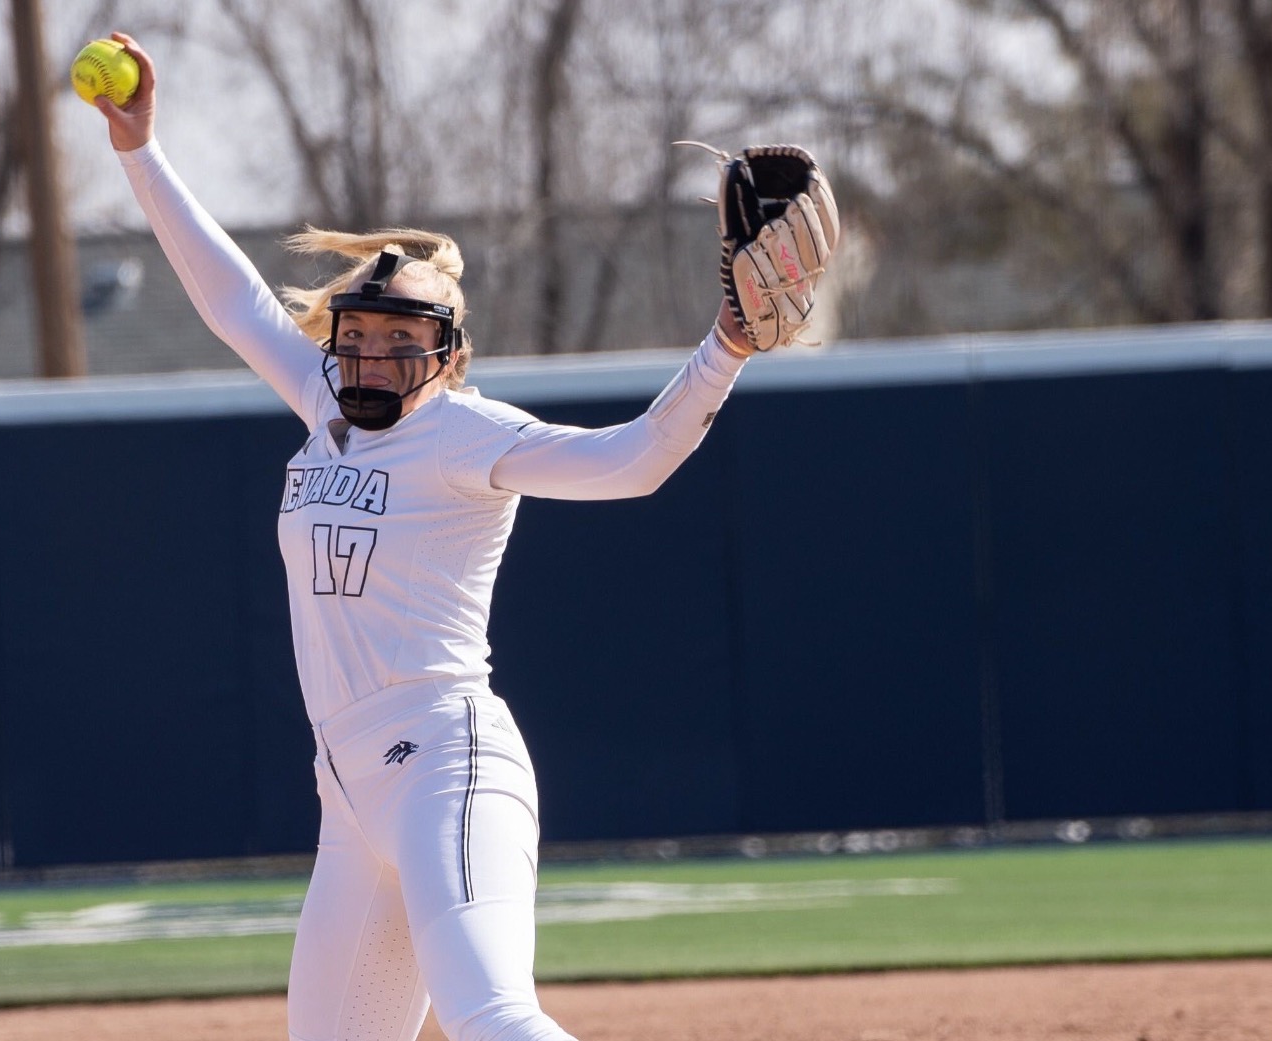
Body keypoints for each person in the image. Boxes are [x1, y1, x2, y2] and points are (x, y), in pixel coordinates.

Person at [90, 32, 794, 1041]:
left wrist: (727, 345)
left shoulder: (467, 433)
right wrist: (140, 151)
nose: (371, 356)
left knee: (490, 1016)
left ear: (448, 354)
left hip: (445, 767)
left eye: (401, 339)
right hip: (349, 798)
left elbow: (634, 460)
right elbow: (232, 299)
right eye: (358, 335)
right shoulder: (323, 402)